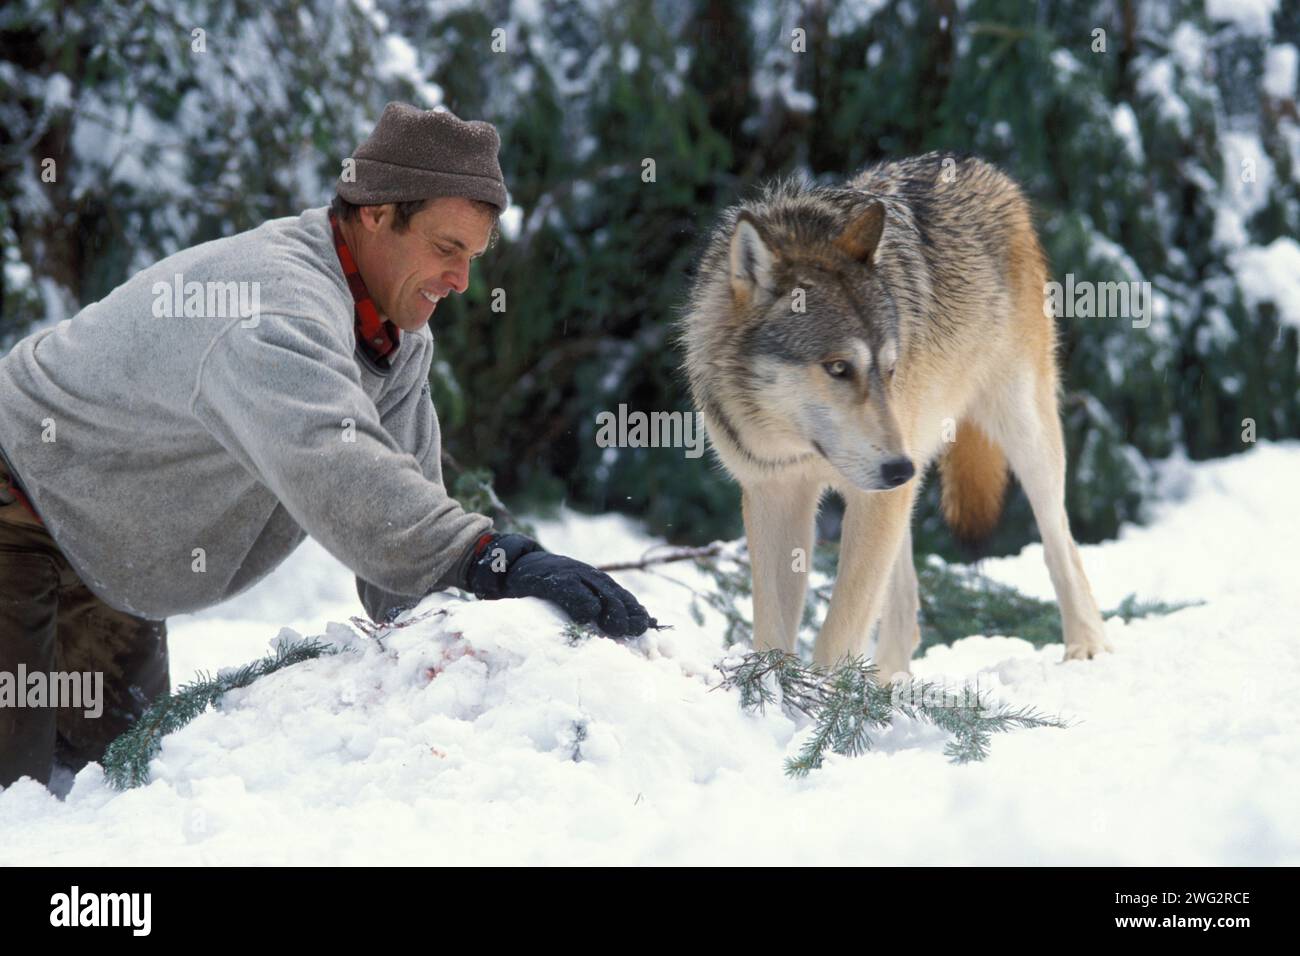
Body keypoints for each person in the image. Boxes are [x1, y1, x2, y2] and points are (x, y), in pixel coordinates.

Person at [0, 102, 652, 789]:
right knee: (14, 805)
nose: (461, 281)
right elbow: (334, 462)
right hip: (17, 495)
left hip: (104, 554)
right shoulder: (273, 306)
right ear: (375, 213)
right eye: (445, 248)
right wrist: (489, 557)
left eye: (473, 257)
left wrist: (468, 635)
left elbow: (403, 526)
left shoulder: (394, 337)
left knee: (117, 789)